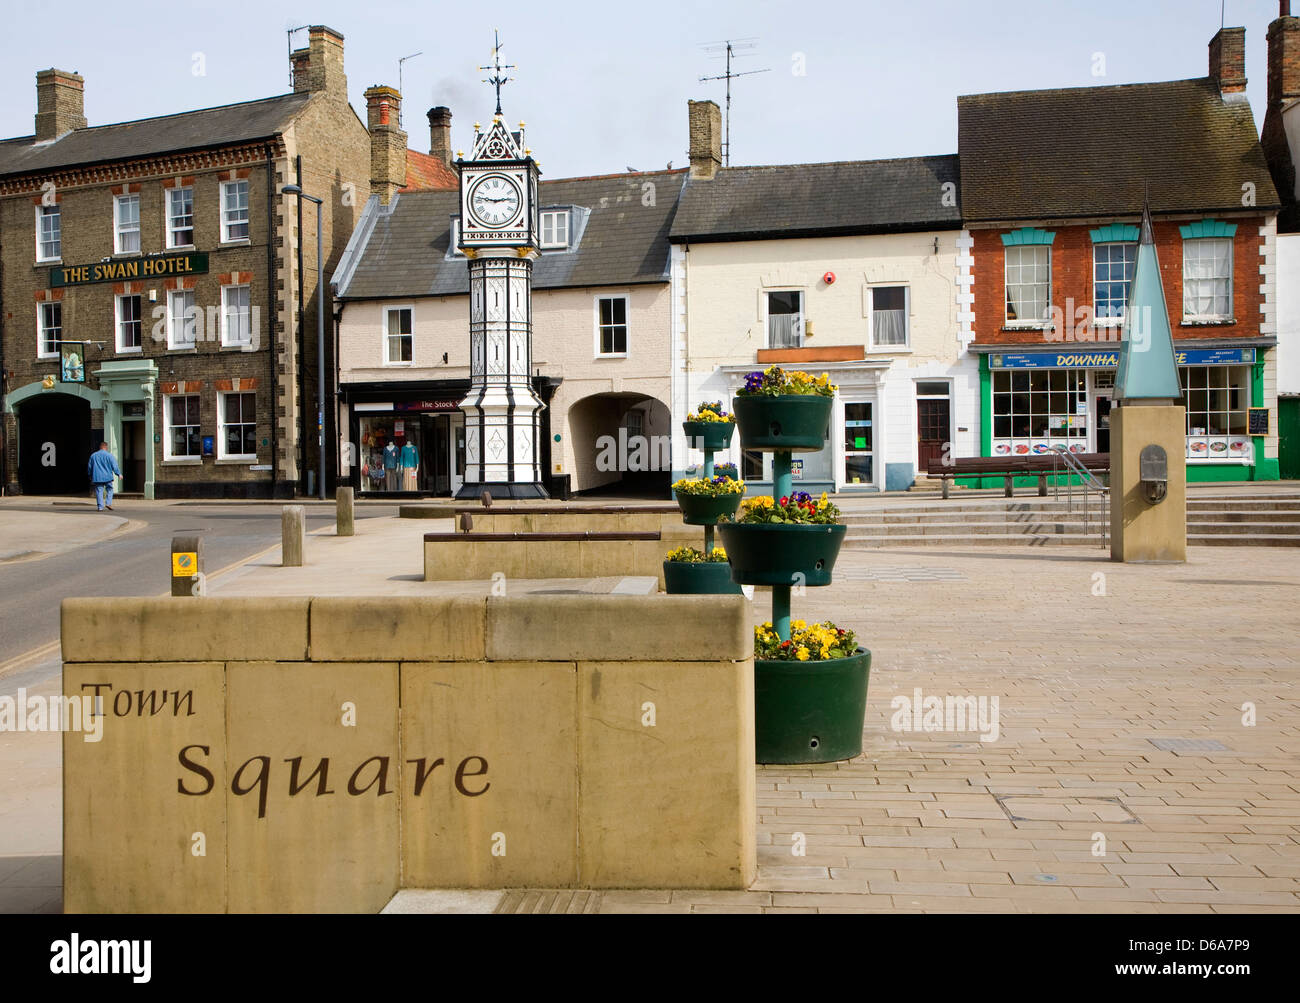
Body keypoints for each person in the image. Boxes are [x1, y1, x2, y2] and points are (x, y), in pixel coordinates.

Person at [87, 441, 121, 511]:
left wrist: (90, 475)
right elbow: (114, 466)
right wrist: (118, 474)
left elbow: (89, 467)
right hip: (107, 477)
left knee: (99, 491)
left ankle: (100, 507)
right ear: (106, 447)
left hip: (97, 477)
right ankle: (108, 503)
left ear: (100, 447)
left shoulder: (93, 455)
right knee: (110, 489)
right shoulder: (109, 456)